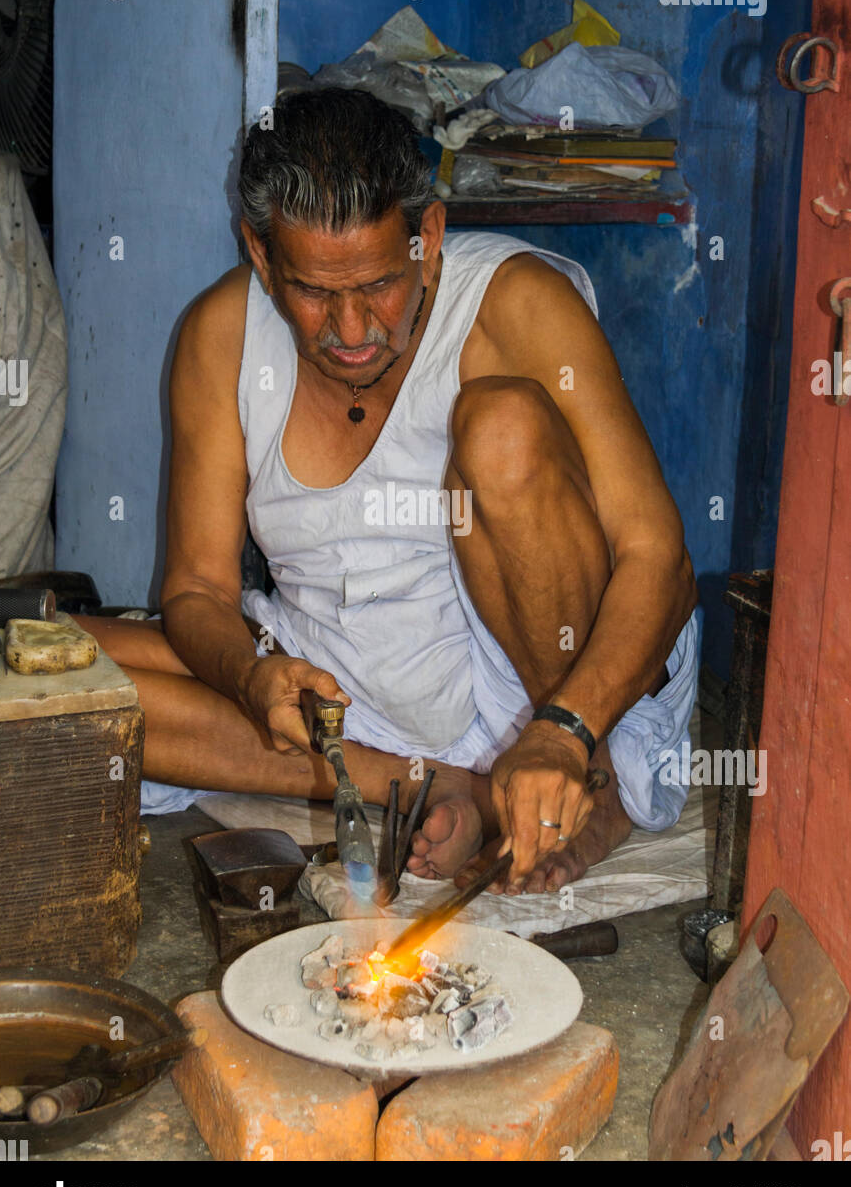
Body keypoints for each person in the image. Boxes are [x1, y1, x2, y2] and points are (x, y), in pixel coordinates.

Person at [82, 87, 699, 897]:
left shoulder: (512, 305)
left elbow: (663, 561)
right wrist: (249, 675)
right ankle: (437, 784)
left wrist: (565, 727)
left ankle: (586, 788)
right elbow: (197, 587)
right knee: (58, 675)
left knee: (501, 425)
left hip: (539, 667)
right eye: (312, 291)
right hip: (345, 674)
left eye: (376, 284)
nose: (349, 331)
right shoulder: (220, 336)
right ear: (261, 255)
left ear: (428, 238)